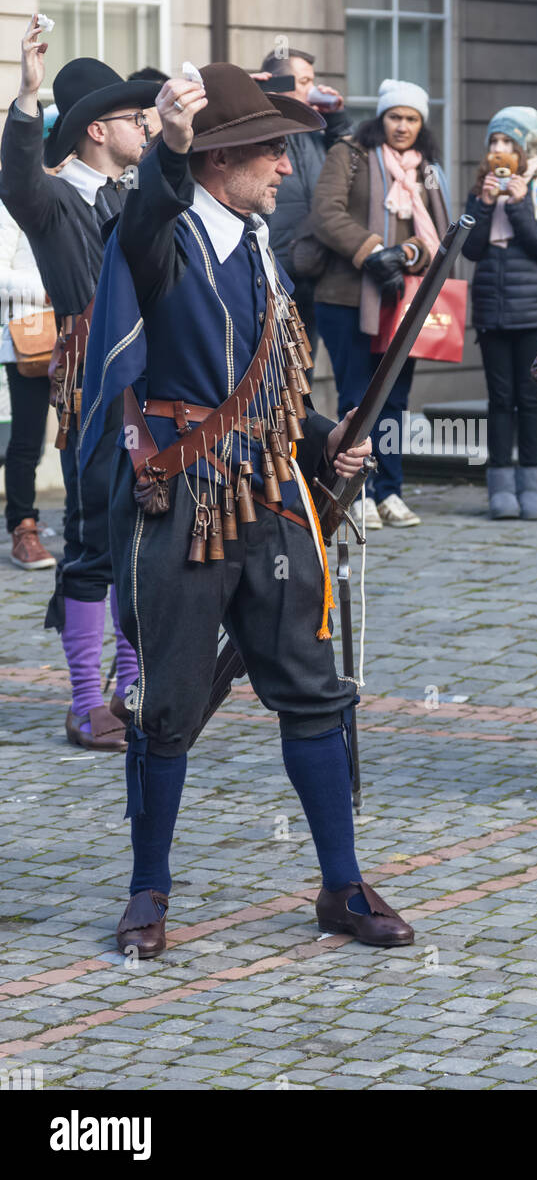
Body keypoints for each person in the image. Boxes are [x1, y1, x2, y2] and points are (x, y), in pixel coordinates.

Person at [78, 63, 414, 958]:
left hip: (269, 493)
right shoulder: (163, 230)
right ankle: (149, 890)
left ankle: (341, 886)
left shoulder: (263, 245)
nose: (286, 167)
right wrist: (172, 149)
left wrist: (321, 437)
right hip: (178, 497)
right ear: (218, 160)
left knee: (312, 692)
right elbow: (147, 211)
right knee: (169, 708)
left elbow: (264, 384)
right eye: (269, 149)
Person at [0, 17, 160, 751]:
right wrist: (28, 98)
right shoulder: (58, 198)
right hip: (92, 390)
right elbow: (18, 181)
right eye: (134, 117)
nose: (144, 128)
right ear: (98, 129)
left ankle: (134, 691)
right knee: (95, 539)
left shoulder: (136, 196)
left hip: (153, 388)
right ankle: (85, 701)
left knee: (143, 540)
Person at [310, 79, 450, 531]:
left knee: (394, 401)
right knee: (357, 397)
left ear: (421, 124)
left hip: (403, 301)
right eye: (395, 116)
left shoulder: (426, 168)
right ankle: (355, 493)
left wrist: (408, 254)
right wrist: (374, 250)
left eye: (411, 118)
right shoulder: (349, 153)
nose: (402, 126)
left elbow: (440, 234)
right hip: (347, 297)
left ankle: (390, 491)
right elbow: (326, 214)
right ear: (381, 118)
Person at [462, 106, 537, 520]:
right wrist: (485, 205)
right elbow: (470, 249)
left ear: (526, 147)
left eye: (508, 142)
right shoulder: (481, 186)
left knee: (530, 399)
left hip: (533, 310)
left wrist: (517, 205)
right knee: (499, 400)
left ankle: (531, 483)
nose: (499, 150)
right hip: (491, 309)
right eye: (494, 142)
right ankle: (500, 484)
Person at [257, 46, 352, 362]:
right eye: (302, 81)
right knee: (276, 367)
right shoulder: (260, 126)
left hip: (318, 265)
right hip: (277, 271)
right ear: (278, 84)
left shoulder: (315, 128)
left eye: (312, 80)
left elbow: (352, 160)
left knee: (305, 366)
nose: (310, 89)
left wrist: (336, 118)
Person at [0, 193, 53, 569]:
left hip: (80, 327)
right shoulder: (10, 201)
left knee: (84, 435)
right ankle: (23, 527)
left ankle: (89, 522)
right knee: (27, 440)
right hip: (29, 337)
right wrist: (50, 287)